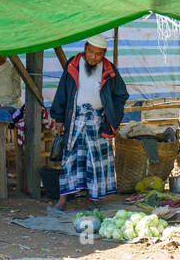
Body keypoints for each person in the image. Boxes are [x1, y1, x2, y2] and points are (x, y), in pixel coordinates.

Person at [50, 35, 129, 209]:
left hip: (97, 122)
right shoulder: (73, 64)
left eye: (98, 54)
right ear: (85, 48)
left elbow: (121, 95)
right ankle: (62, 201)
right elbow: (62, 91)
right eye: (91, 52)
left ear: (104, 54)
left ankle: (91, 199)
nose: (93, 57)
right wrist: (59, 118)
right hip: (75, 120)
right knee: (70, 159)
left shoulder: (109, 69)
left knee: (95, 161)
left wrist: (111, 118)